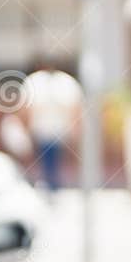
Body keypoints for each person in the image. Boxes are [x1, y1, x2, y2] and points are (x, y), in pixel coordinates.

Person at [22, 58, 83, 192]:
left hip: (55, 129)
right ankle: (51, 184)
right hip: (45, 129)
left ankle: (51, 184)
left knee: (52, 158)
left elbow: (74, 108)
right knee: (49, 158)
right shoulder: (37, 82)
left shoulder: (63, 83)